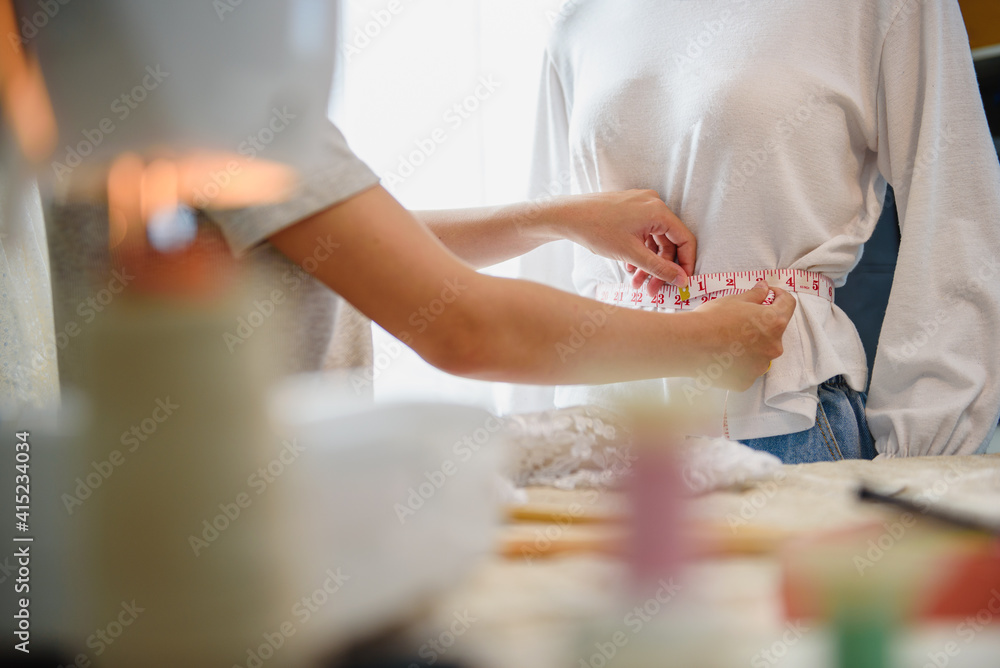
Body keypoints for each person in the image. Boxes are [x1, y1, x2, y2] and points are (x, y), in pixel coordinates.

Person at [528, 0, 1000, 461]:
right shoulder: (577, 18)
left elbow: (956, 216)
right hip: (597, 425)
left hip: (780, 417)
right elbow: (548, 242)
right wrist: (526, 444)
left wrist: (928, 461)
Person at [44, 121, 794, 398]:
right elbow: (466, 327)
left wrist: (557, 220)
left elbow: (330, 245)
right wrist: (704, 340)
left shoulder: (92, 70)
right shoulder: (228, 98)